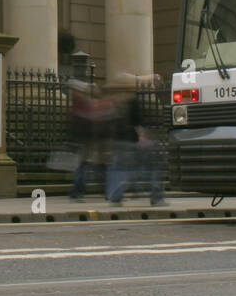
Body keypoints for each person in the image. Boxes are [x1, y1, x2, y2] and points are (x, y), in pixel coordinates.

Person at [105, 73, 164, 205]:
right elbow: (138, 122)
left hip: (117, 140)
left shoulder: (114, 101)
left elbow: (109, 121)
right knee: (144, 169)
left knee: (117, 168)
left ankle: (115, 196)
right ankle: (156, 196)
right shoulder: (133, 101)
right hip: (130, 141)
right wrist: (143, 137)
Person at [67, 79, 109, 201]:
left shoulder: (78, 105)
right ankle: (78, 192)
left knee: (87, 166)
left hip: (85, 140)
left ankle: (77, 191)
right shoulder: (84, 105)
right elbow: (91, 121)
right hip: (87, 141)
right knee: (88, 167)